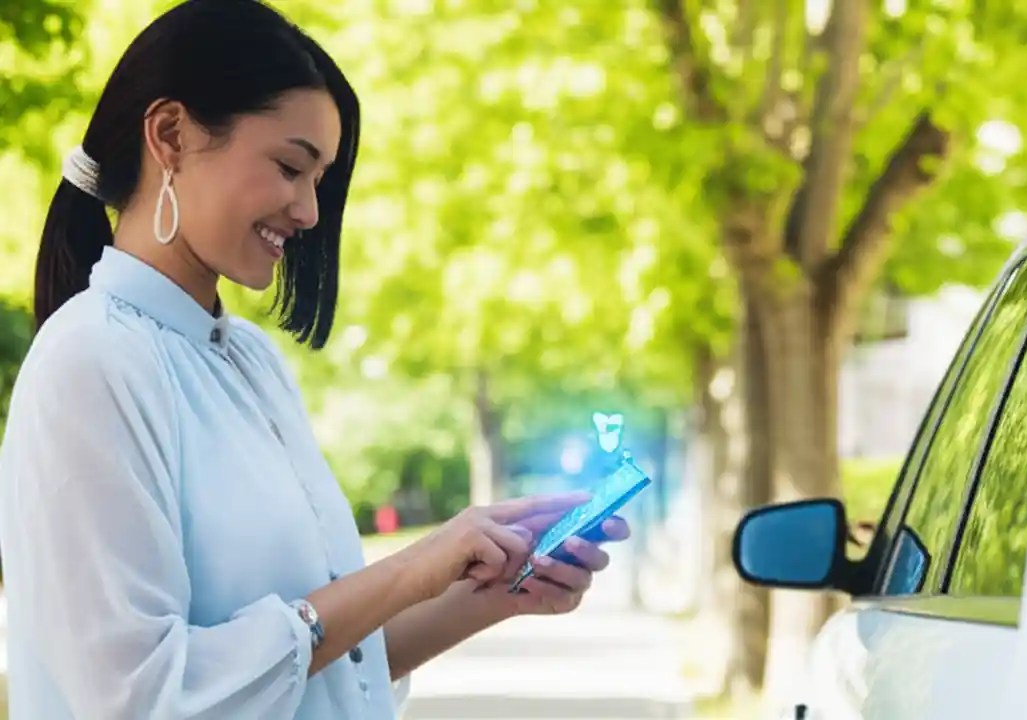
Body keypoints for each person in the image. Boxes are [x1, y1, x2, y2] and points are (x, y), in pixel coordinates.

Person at [0, 1, 630, 718]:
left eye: (319, 181)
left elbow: (325, 668)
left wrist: (492, 588)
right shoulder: (92, 362)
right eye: (290, 167)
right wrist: (408, 570)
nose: (308, 212)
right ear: (170, 135)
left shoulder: (249, 364)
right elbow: (141, 697)